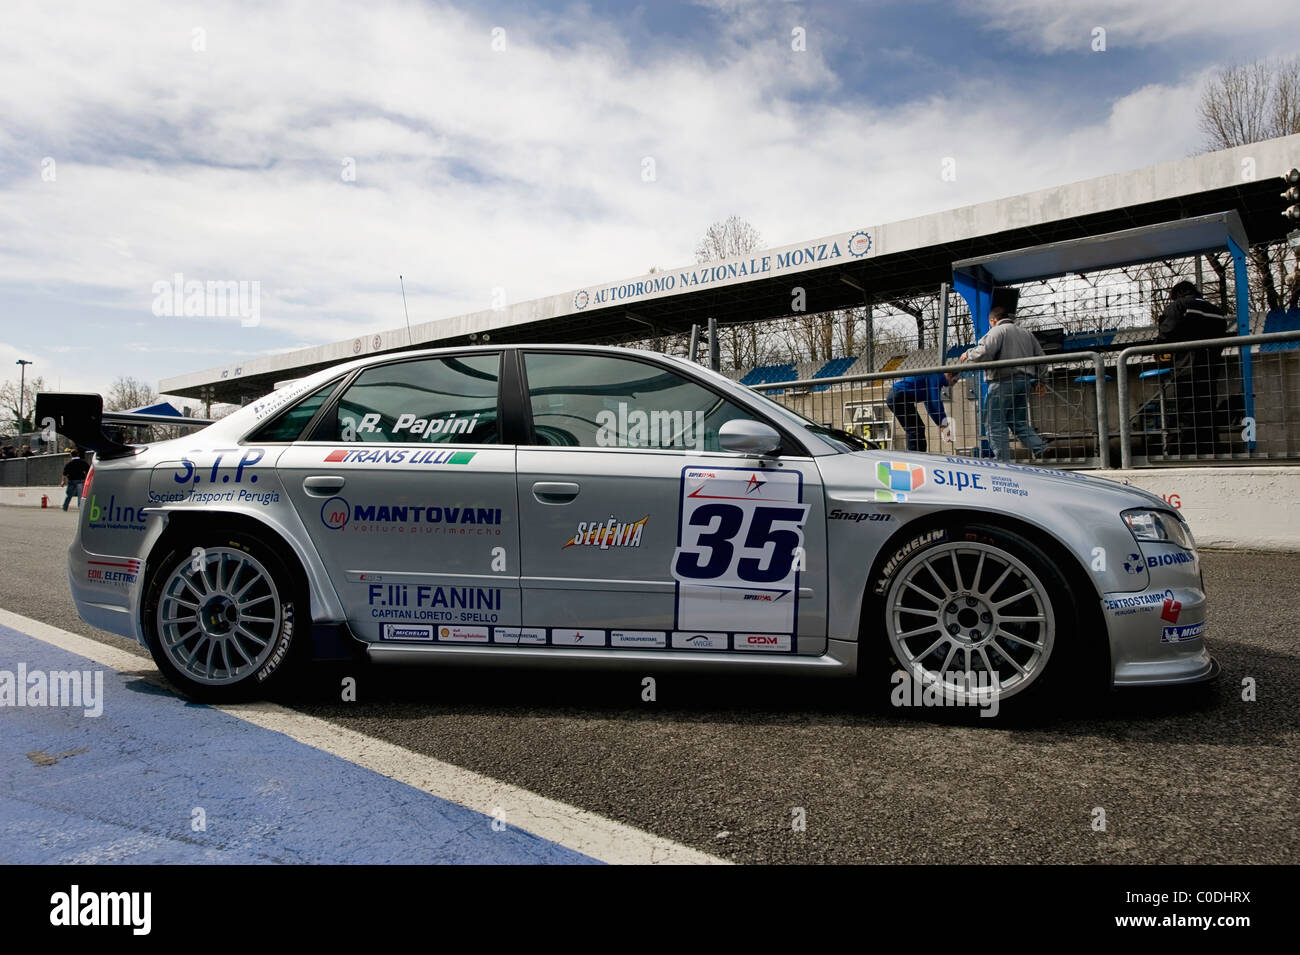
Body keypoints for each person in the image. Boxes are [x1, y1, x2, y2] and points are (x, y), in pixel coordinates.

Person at [960, 305, 1049, 461]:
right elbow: (1041, 358)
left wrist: (968, 354)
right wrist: (1042, 381)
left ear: (993, 320)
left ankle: (1003, 460)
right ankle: (1039, 447)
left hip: (1003, 381)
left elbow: (985, 352)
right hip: (1025, 381)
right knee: (1017, 420)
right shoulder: (1026, 334)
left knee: (993, 421)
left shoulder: (997, 331)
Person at [1156, 281, 1231, 456]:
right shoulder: (1216, 311)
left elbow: (1167, 331)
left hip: (1187, 366)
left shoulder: (1179, 305)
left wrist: (1158, 348)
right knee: (1208, 408)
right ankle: (1211, 448)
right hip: (1211, 366)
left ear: (1177, 294)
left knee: (1188, 410)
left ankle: (1189, 451)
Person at [885, 372, 956, 452]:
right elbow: (935, 402)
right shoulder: (937, 377)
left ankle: (919, 453)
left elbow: (930, 404)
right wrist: (943, 424)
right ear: (949, 375)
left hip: (898, 395)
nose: (953, 385)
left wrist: (941, 424)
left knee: (918, 428)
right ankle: (915, 456)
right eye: (954, 381)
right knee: (914, 429)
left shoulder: (934, 378)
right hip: (899, 396)